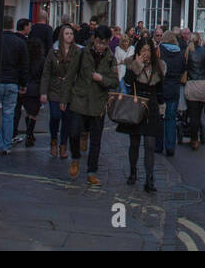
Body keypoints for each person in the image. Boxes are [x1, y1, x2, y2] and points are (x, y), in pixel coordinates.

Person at [65, 26, 117, 184]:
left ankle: (91, 171)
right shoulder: (81, 53)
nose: (101, 46)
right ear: (94, 40)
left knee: (96, 140)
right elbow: (70, 75)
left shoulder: (110, 58)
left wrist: (102, 79)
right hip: (79, 100)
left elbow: (115, 81)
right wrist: (64, 99)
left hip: (98, 102)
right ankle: (75, 157)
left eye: (105, 43)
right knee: (73, 132)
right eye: (99, 42)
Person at [118, 38, 165, 192]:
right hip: (136, 103)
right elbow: (128, 82)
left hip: (151, 104)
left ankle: (150, 179)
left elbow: (160, 89)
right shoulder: (133, 63)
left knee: (150, 144)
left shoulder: (159, 66)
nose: (146, 53)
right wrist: (137, 65)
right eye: (143, 50)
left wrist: (161, 106)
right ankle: (133, 172)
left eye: (148, 50)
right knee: (134, 142)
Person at [40, 23, 78, 158]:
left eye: (71, 34)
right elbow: (46, 72)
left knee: (67, 119)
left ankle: (63, 146)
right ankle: (53, 141)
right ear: (62, 36)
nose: (69, 36)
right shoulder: (53, 51)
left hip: (70, 90)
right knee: (55, 116)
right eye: (67, 34)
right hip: (55, 88)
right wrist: (43, 92)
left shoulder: (77, 51)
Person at [0, 18, 29, 155]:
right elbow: (24, 65)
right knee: (9, 114)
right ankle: (6, 144)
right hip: (12, 82)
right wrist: (23, 83)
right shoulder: (20, 43)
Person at [183, 32, 205, 150]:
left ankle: (194, 138)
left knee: (192, 114)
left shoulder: (187, 52)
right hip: (203, 84)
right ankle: (195, 137)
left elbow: (183, 67)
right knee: (198, 113)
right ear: (199, 40)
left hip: (191, 83)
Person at [158, 30, 186, 156]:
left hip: (161, 87)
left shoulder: (160, 51)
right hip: (174, 87)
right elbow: (183, 68)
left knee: (160, 118)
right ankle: (170, 146)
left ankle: (158, 145)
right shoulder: (179, 53)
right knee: (171, 118)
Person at [20, 24, 46, 148]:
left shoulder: (26, 59)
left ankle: (29, 133)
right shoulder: (41, 60)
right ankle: (30, 133)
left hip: (26, 87)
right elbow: (43, 75)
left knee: (28, 111)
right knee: (33, 113)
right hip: (36, 89)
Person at [114, 27, 134, 94]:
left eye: (127, 41)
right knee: (123, 92)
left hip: (129, 73)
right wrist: (124, 62)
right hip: (121, 73)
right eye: (124, 42)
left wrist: (124, 61)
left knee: (129, 92)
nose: (125, 43)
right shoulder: (118, 49)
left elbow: (133, 60)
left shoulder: (132, 49)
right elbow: (116, 62)